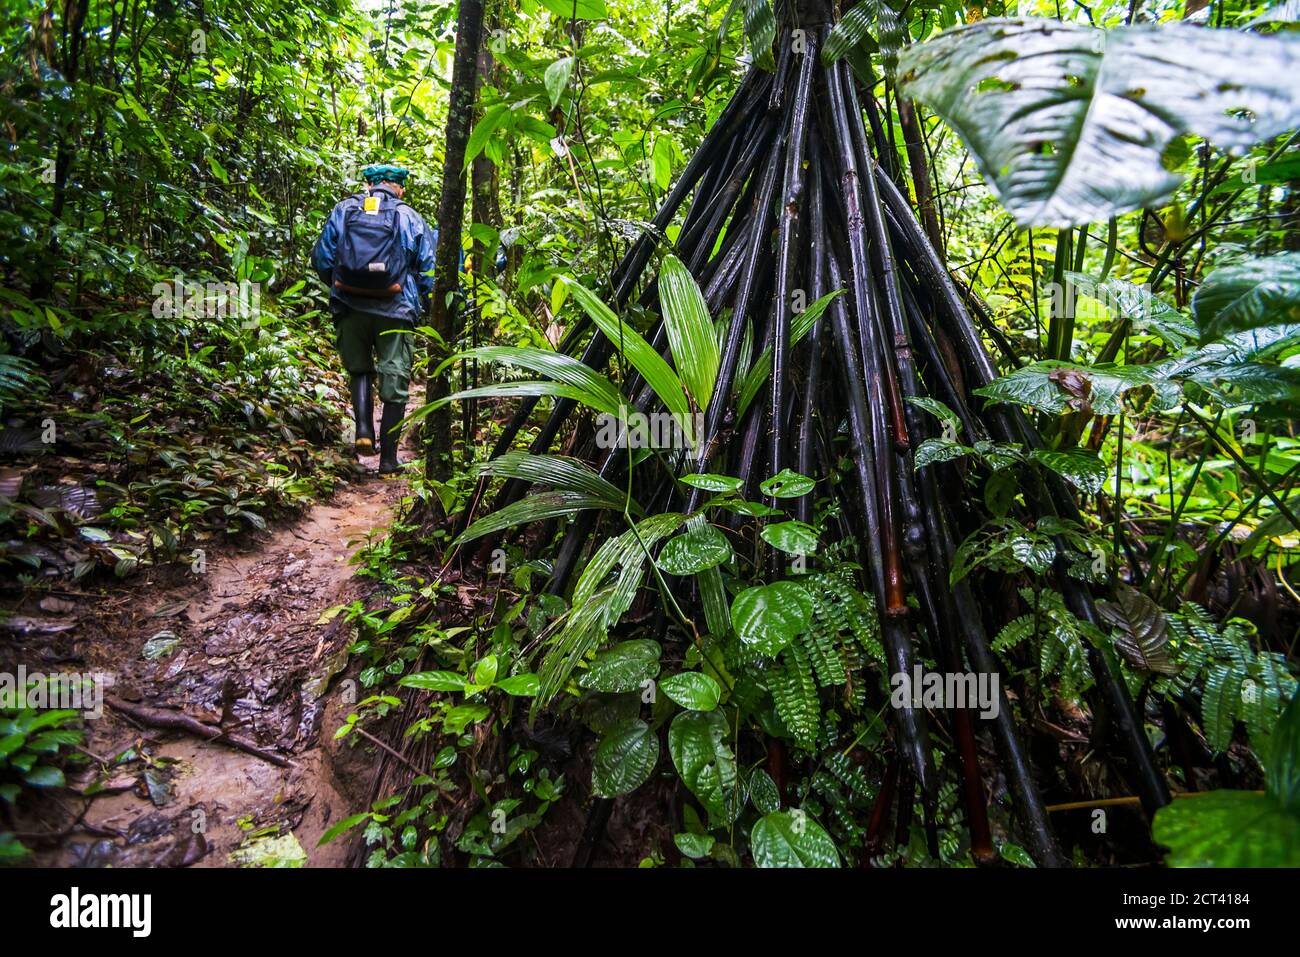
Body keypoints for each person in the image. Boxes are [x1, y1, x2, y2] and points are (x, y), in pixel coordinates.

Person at [312, 164, 437, 474]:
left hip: (350, 306)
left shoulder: (344, 210)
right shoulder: (409, 216)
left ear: (368, 184)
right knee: (394, 380)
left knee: (360, 370)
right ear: (400, 188)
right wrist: (423, 303)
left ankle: (364, 431)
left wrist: (342, 287)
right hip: (395, 309)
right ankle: (389, 460)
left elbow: (322, 258)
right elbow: (427, 269)